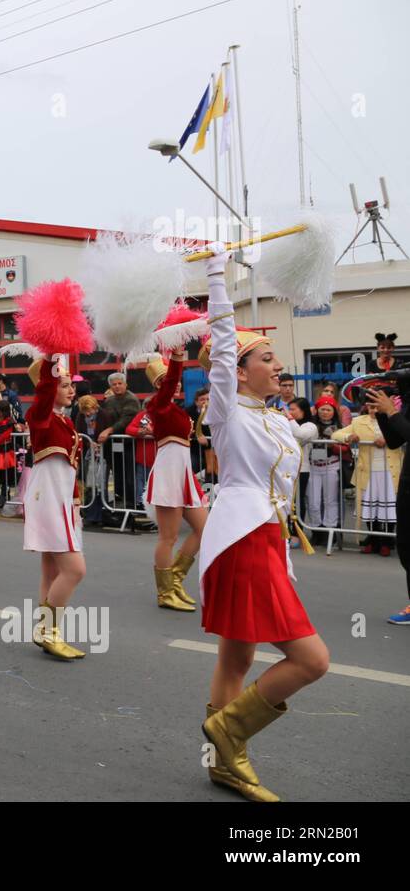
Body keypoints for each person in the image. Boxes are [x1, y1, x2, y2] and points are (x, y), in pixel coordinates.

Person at [197, 245, 328, 803]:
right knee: (311, 660)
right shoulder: (227, 408)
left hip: (266, 538)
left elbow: (293, 454)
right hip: (244, 537)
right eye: (267, 359)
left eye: (276, 358)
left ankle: (223, 763)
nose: (277, 366)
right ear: (240, 373)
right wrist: (216, 276)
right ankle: (229, 733)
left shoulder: (274, 418)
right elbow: (222, 350)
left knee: (239, 654)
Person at [21, 355, 86, 659]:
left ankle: (46, 629)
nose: (70, 389)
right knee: (74, 569)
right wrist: (50, 351)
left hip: (60, 497)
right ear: (48, 388)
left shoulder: (64, 418)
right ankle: (47, 631)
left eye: (71, 384)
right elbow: (45, 389)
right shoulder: (39, 413)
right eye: (63, 385)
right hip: (48, 497)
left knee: (51, 569)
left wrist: (74, 502)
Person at [139, 351, 208, 612]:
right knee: (167, 538)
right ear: (160, 383)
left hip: (182, 473)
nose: (177, 382)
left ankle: (176, 578)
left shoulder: (174, 407)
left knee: (205, 528)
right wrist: (178, 356)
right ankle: (165, 591)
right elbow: (170, 383)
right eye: (171, 379)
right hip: (169, 473)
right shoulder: (158, 403)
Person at [332, 398, 401, 556]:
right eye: (370, 407)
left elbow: (401, 436)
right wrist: (349, 437)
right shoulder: (358, 421)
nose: (373, 410)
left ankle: (387, 541)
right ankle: (373, 539)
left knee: (388, 508)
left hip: (389, 471)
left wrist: (388, 439)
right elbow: (337, 434)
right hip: (368, 471)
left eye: (376, 407)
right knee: (370, 508)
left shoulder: (394, 419)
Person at [367, 382, 410, 622]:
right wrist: (384, 414)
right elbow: (395, 441)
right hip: (407, 483)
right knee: (406, 548)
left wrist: (392, 412)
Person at [97, 371, 142, 515]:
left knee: (129, 475)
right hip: (113, 444)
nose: (117, 387)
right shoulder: (109, 401)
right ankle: (118, 503)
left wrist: (109, 430)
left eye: (119, 384)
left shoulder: (131, 399)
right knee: (117, 474)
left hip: (129, 444)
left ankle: (131, 505)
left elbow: (126, 420)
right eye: (114, 384)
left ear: (125, 384)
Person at [307, 397, 345, 536]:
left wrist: (333, 446)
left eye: (328, 410)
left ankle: (330, 531)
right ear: (317, 410)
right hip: (314, 466)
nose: (325, 412)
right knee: (313, 501)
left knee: (330, 500)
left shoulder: (339, 427)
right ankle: (316, 530)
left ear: (334, 411)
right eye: (322, 409)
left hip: (331, 465)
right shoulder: (310, 425)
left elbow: (345, 447)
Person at [286, 398, 318, 549]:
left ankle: (296, 532)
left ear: (303, 410)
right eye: (289, 409)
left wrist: (289, 419)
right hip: (285, 468)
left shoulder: (310, 426)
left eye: (293, 409)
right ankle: (285, 531)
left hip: (301, 469)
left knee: (297, 503)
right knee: (285, 501)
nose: (290, 412)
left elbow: (299, 435)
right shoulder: (288, 424)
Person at [73, 394, 109, 527]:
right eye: (85, 411)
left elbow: (108, 429)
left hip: (103, 454)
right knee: (89, 485)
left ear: (95, 407)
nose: (88, 413)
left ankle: (99, 515)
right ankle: (90, 514)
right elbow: (79, 433)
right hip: (88, 453)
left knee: (100, 485)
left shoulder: (103, 415)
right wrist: (89, 443)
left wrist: (100, 443)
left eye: (90, 410)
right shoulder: (80, 416)